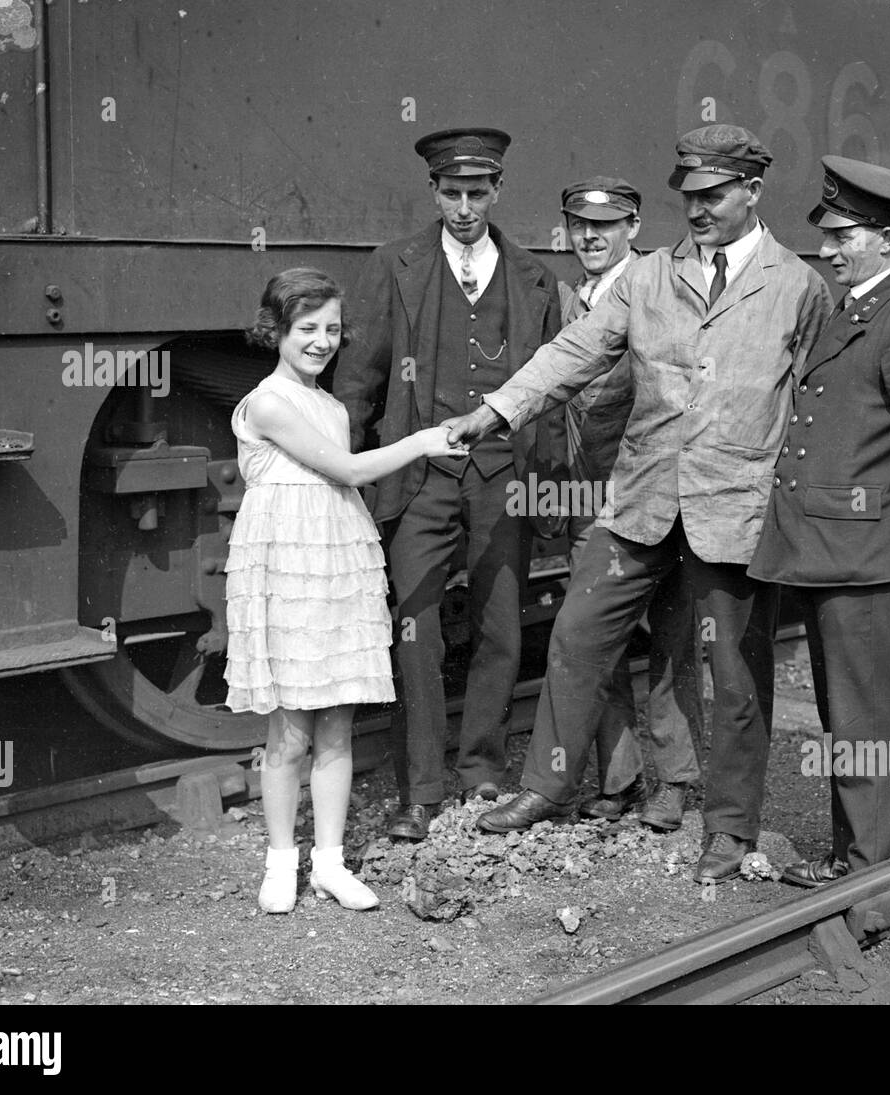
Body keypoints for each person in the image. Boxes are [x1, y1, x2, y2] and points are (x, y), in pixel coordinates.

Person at [447, 125, 833, 883]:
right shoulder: (650, 277)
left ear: (753, 193)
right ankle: (547, 786)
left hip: (736, 512)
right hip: (640, 502)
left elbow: (815, 403)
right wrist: (498, 409)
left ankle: (728, 828)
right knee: (578, 632)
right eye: (686, 195)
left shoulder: (798, 287)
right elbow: (576, 351)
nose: (695, 209)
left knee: (737, 675)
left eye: (713, 196)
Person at [746, 156, 890, 887]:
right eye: (827, 233)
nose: (828, 248)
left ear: (884, 237)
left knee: (869, 718)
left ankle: (876, 873)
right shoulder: (860, 310)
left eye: (843, 235)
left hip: (869, 554)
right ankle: (859, 858)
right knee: (848, 716)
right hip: (836, 551)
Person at [335, 128, 566, 841]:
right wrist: (342, 479)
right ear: (433, 193)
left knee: (500, 629)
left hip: (503, 479)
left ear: (497, 193)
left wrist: (553, 490)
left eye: (477, 193)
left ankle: (483, 772)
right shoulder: (392, 265)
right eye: (451, 193)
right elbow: (359, 381)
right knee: (417, 632)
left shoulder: (532, 279)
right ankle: (421, 791)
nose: (464, 207)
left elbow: (554, 389)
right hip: (419, 477)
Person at [225, 268, 468, 913]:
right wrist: (424, 439)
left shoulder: (331, 406)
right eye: (307, 329)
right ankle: (281, 865)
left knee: (336, 727)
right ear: (275, 330)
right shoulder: (269, 403)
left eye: (332, 329)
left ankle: (329, 863)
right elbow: (352, 470)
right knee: (289, 734)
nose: (321, 341)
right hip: (288, 567)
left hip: (335, 558)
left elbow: (344, 485)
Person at [556, 176, 705, 827]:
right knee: (597, 646)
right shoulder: (565, 300)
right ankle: (619, 779)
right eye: (581, 225)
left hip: (656, 499)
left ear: (633, 227)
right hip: (590, 502)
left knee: (671, 642)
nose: (592, 236)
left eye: (608, 225)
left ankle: (676, 780)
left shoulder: (659, 290)